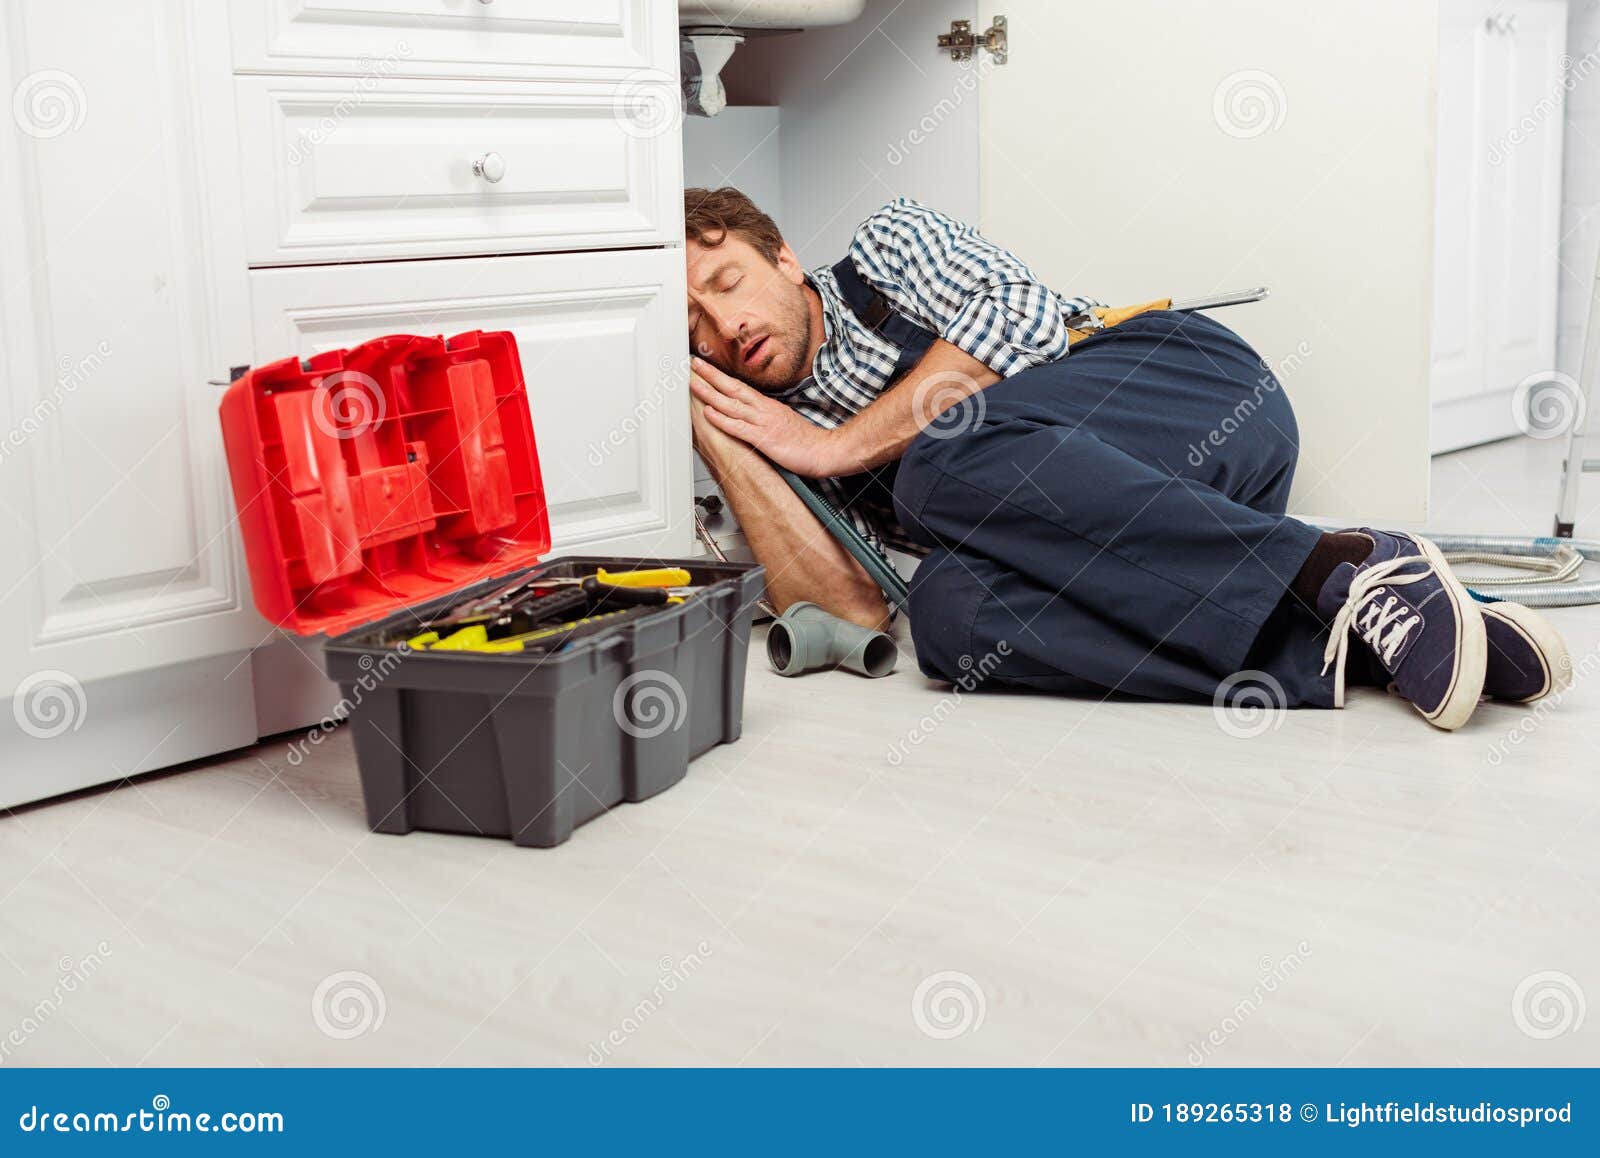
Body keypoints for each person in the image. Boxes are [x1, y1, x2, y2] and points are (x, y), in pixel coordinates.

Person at [683, 187, 1570, 729]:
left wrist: (833, 446)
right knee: (950, 621)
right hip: (1151, 531)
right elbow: (853, 610)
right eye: (696, 332)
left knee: (940, 461)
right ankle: (1359, 627)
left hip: (1191, 391)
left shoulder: (887, 247)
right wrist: (720, 429)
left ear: (785, 257)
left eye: (727, 286)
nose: (728, 327)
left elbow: (1016, 315)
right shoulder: (762, 423)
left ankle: (1335, 565)